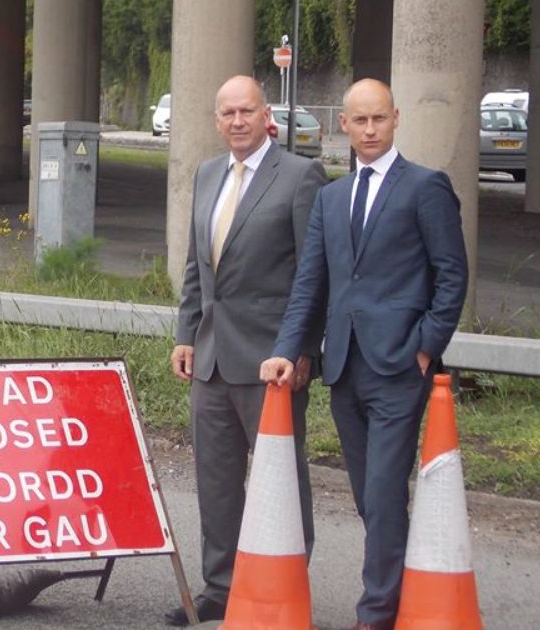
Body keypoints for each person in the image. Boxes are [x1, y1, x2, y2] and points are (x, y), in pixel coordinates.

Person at [260, 78, 468, 630]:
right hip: (345, 366)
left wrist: (426, 350)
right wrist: (287, 349)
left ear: (395, 119)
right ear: (343, 126)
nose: (370, 130)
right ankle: (400, 588)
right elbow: (312, 283)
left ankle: (375, 612)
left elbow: (452, 276)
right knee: (366, 495)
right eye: (360, 121)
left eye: (379, 119)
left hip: (401, 366)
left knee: (381, 492)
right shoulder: (331, 197)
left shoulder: (426, 187)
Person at [165, 75, 326, 626]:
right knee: (215, 478)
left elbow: (314, 272)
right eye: (228, 112)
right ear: (217, 120)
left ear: (267, 116)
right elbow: (197, 268)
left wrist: (302, 348)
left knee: (280, 478)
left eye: (247, 111)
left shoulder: (301, 177)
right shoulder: (208, 174)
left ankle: (284, 585)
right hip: (210, 358)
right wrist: (186, 334)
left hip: (272, 363)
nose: (237, 121)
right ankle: (220, 588)